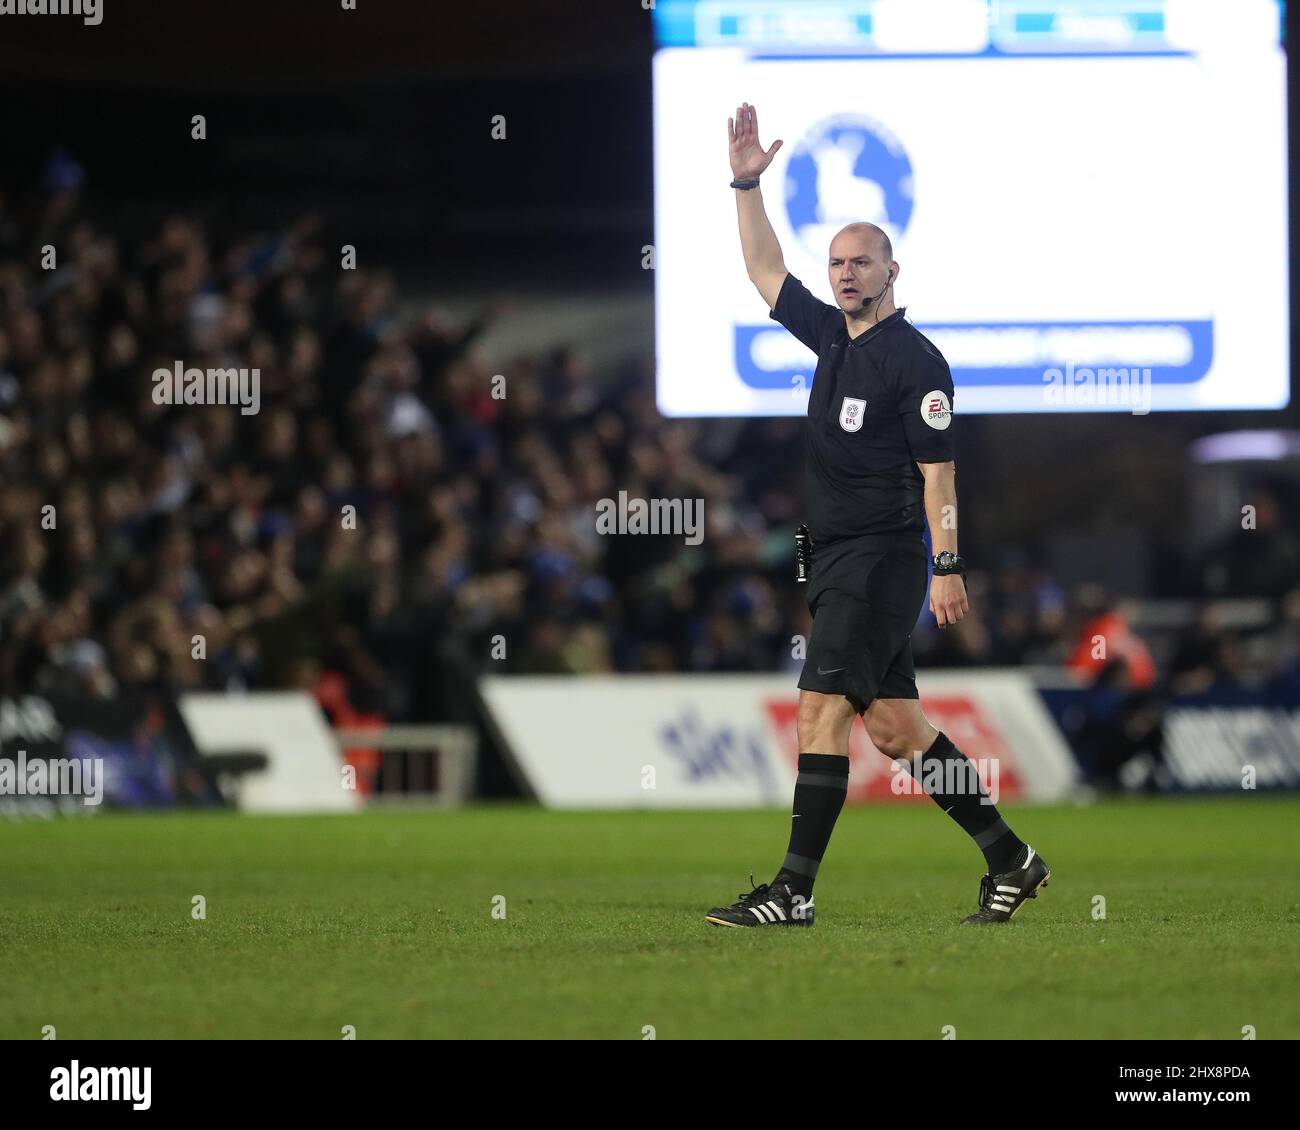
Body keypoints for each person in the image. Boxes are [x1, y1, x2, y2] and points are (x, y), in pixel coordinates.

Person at [705, 104, 1050, 928]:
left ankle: (793, 891)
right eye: (836, 264)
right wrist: (747, 184)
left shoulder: (916, 362)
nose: (846, 274)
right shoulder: (831, 337)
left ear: (894, 270)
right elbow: (761, 271)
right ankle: (1012, 858)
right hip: (831, 558)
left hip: (881, 560)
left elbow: (940, 474)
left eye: (861, 262)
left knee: (818, 710)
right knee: (896, 730)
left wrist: (947, 564)